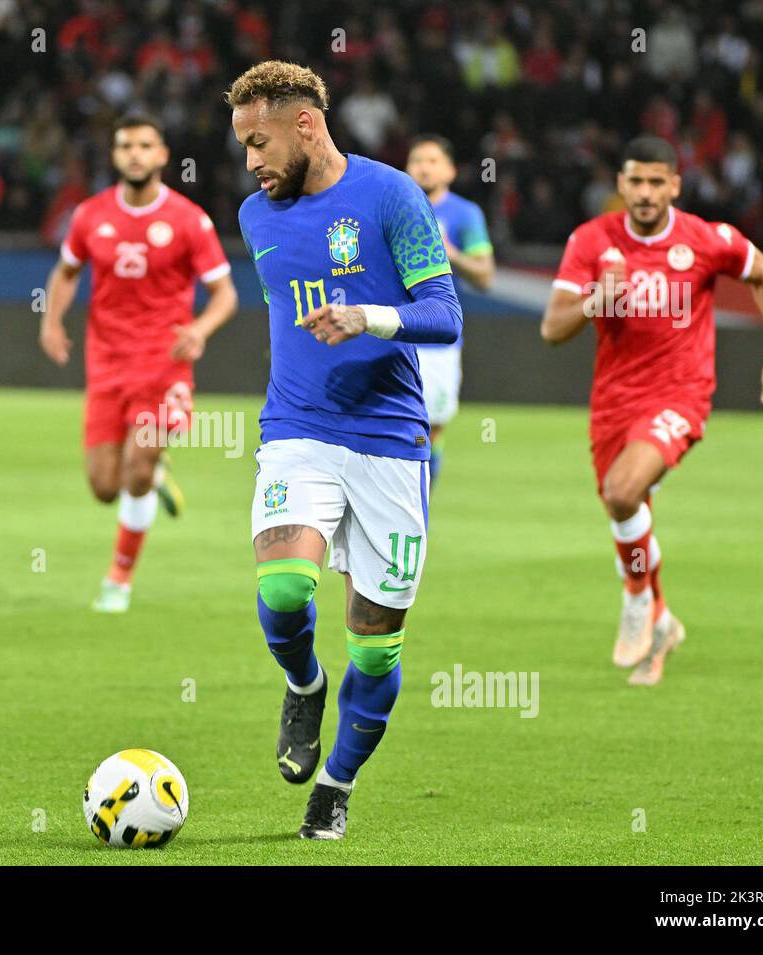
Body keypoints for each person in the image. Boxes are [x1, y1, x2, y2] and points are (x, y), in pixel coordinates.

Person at [227, 61, 462, 839]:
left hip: (392, 441)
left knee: (377, 646)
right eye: (241, 147)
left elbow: (444, 314)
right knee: (287, 586)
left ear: (306, 124)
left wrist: (369, 315)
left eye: (259, 142)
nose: (251, 163)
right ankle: (303, 681)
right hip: (297, 429)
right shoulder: (256, 215)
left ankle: (336, 782)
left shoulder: (390, 195)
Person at [541, 135, 763, 685]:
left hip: (680, 394)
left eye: (658, 182)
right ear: (621, 184)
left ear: (675, 185)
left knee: (623, 493)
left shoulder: (704, 239)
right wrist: (594, 302)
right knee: (627, 511)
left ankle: (637, 602)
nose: (647, 193)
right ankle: (662, 622)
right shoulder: (592, 241)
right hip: (613, 402)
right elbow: (552, 329)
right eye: (637, 181)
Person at [40, 114, 237, 614]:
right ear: (114, 155)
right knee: (105, 487)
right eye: (126, 145)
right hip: (106, 362)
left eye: (145, 145)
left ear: (162, 155)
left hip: (162, 364)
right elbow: (66, 272)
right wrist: (51, 320)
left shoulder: (189, 220)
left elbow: (224, 294)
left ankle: (118, 580)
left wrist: (199, 329)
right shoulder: (90, 215)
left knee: (135, 469)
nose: (135, 154)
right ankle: (153, 472)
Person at [405, 134, 494, 483]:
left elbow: (485, 276)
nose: (423, 167)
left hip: (438, 339)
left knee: (431, 431)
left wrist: (452, 254)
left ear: (451, 170)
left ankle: (421, 508)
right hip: (394, 334)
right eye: (416, 160)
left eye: (432, 160)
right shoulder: (393, 207)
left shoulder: (464, 213)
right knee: (396, 430)